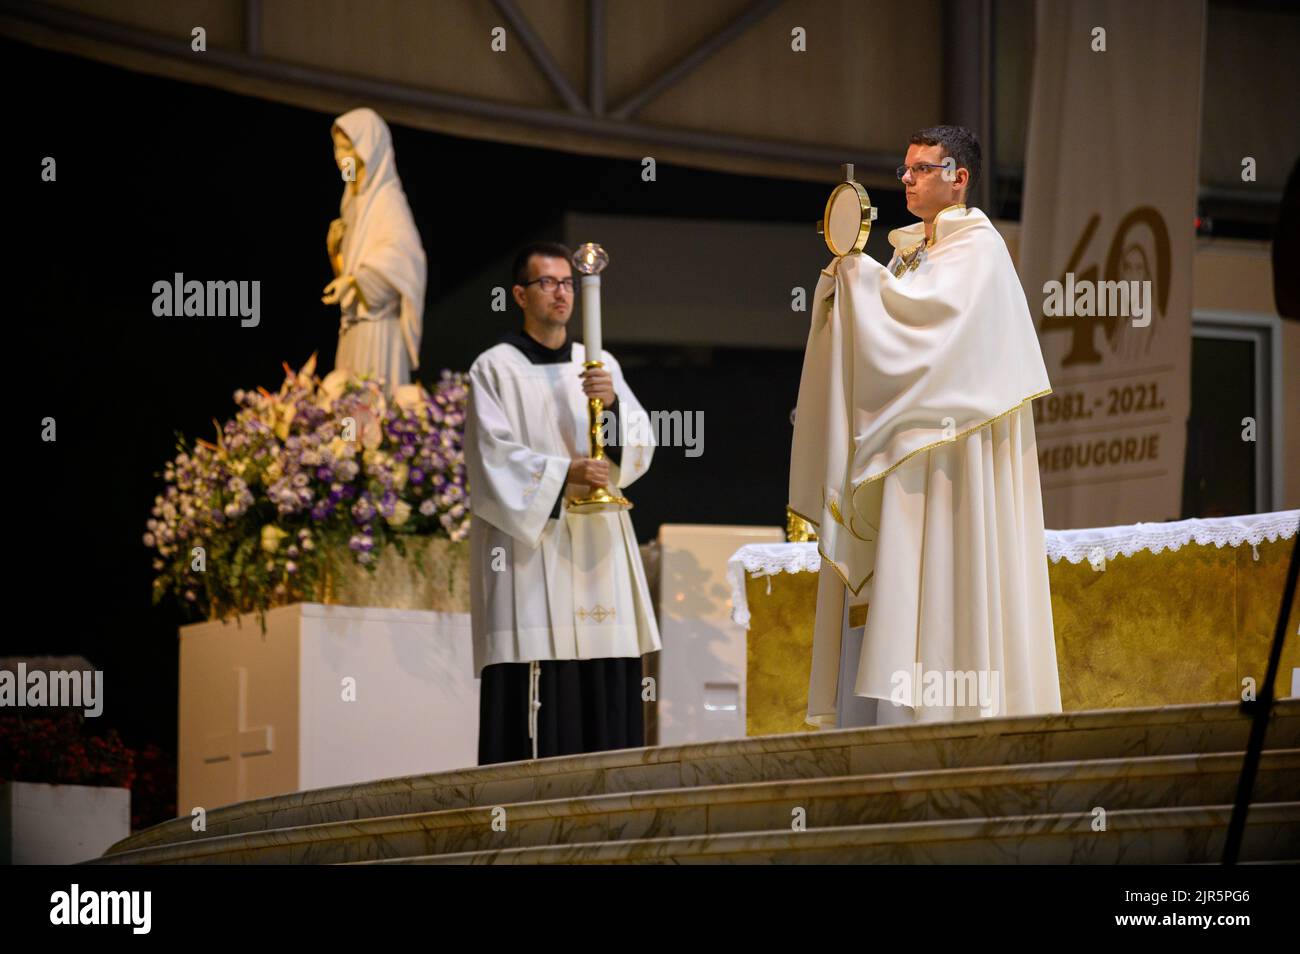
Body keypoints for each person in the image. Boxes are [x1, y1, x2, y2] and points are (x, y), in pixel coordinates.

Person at [790, 125, 1062, 727]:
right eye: (904, 170)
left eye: (921, 168)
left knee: (947, 563)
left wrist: (865, 283)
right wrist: (847, 285)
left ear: (957, 178)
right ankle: (892, 714)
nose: (907, 179)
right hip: (913, 448)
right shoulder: (909, 250)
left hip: (955, 451)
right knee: (903, 569)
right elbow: (887, 336)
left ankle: (948, 715)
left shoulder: (977, 247)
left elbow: (930, 328)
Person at [465, 241, 661, 764]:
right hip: (535, 551)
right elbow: (491, 460)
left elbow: (639, 444)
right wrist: (566, 472)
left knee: (606, 672)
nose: (561, 293)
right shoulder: (494, 369)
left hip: (599, 548)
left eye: (568, 283)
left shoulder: (598, 366)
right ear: (519, 295)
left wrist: (613, 403)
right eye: (547, 283)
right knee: (540, 682)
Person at [322, 107, 426, 394]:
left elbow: (406, 260)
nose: (338, 156)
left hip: (379, 332)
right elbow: (349, 283)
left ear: (368, 151)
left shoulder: (387, 200)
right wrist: (335, 255)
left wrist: (356, 281)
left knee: (373, 407)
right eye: (336, 148)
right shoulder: (354, 203)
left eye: (347, 149)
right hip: (353, 330)